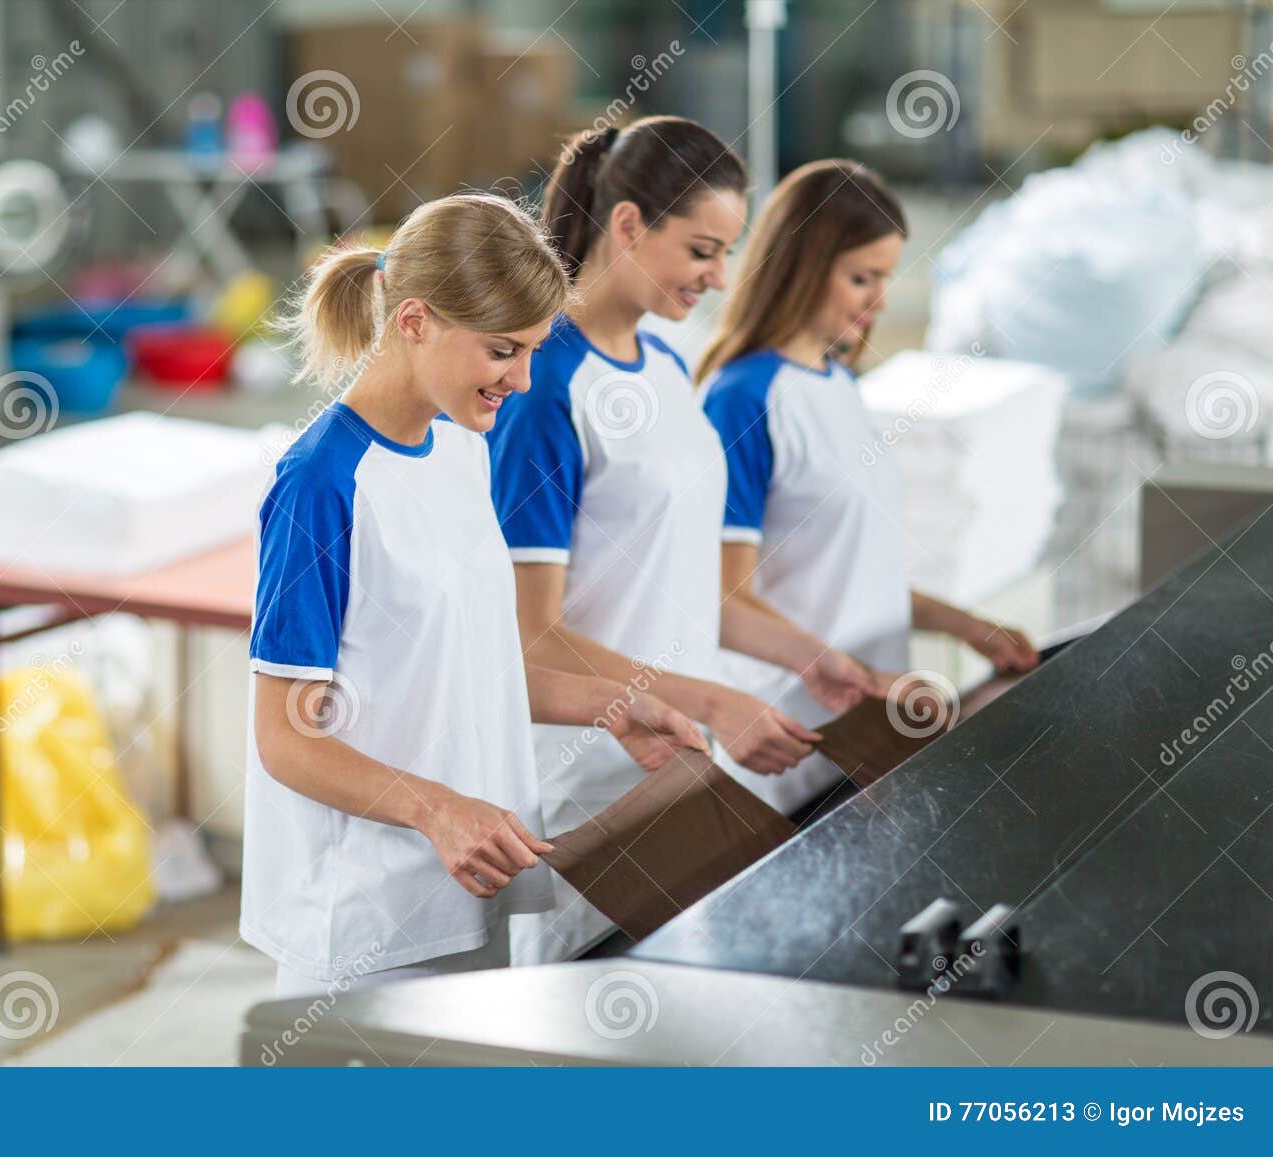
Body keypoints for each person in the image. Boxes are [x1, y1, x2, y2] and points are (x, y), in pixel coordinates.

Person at [245, 193, 708, 997]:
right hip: (365, 927)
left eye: (532, 350)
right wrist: (435, 809)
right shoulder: (322, 483)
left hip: (471, 895)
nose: (523, 379)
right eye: (503, 350)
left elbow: (471, 669)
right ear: (416, 321)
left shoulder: (461, 448)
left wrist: (614, 702)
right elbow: (287, 739)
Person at [486, 118, 874, 965]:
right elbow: (531, 636)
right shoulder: (544, 385)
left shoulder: (662, 366)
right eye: (702, 250)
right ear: (627, 225)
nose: (720, 277)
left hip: (674, 772)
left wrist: (810, 657)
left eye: (727, 253)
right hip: (584, 788)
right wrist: (713, 702)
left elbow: (692, 583)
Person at [697, 159, 1039, 818]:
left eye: (886, 277)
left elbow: (853, 574)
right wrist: (839, 668)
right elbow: (723, 597)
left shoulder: (837, 385)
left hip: (872, 732)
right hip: (793, 748)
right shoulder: (742, 399)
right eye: (862, 277)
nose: (880, 300)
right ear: (802, 267)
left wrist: (966, 624)